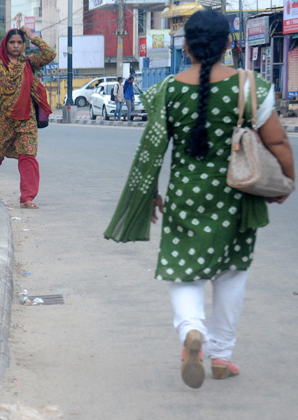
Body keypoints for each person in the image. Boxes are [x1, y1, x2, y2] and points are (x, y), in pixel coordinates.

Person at [104, 9, 294, 389]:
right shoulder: (249, 85)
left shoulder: (169, 89)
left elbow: (152, 149)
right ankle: (221, 355)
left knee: (184, 272)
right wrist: (286, 181)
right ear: (228, 44)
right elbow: (278, 141)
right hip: (238, 198)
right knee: (231, 275)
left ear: (186, 46)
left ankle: (192, 332)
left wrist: (151, 194)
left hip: (185, 199)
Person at [0, 26, 56, 209]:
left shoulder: (29, 63)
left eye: (19, 42)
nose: (16, 46)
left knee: (28, 156)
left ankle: (27, 198)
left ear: (23, 45)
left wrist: (32, 36)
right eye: (12, 42)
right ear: (5, 45)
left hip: (26, 120)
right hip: (1, 121)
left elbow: (51, 54)